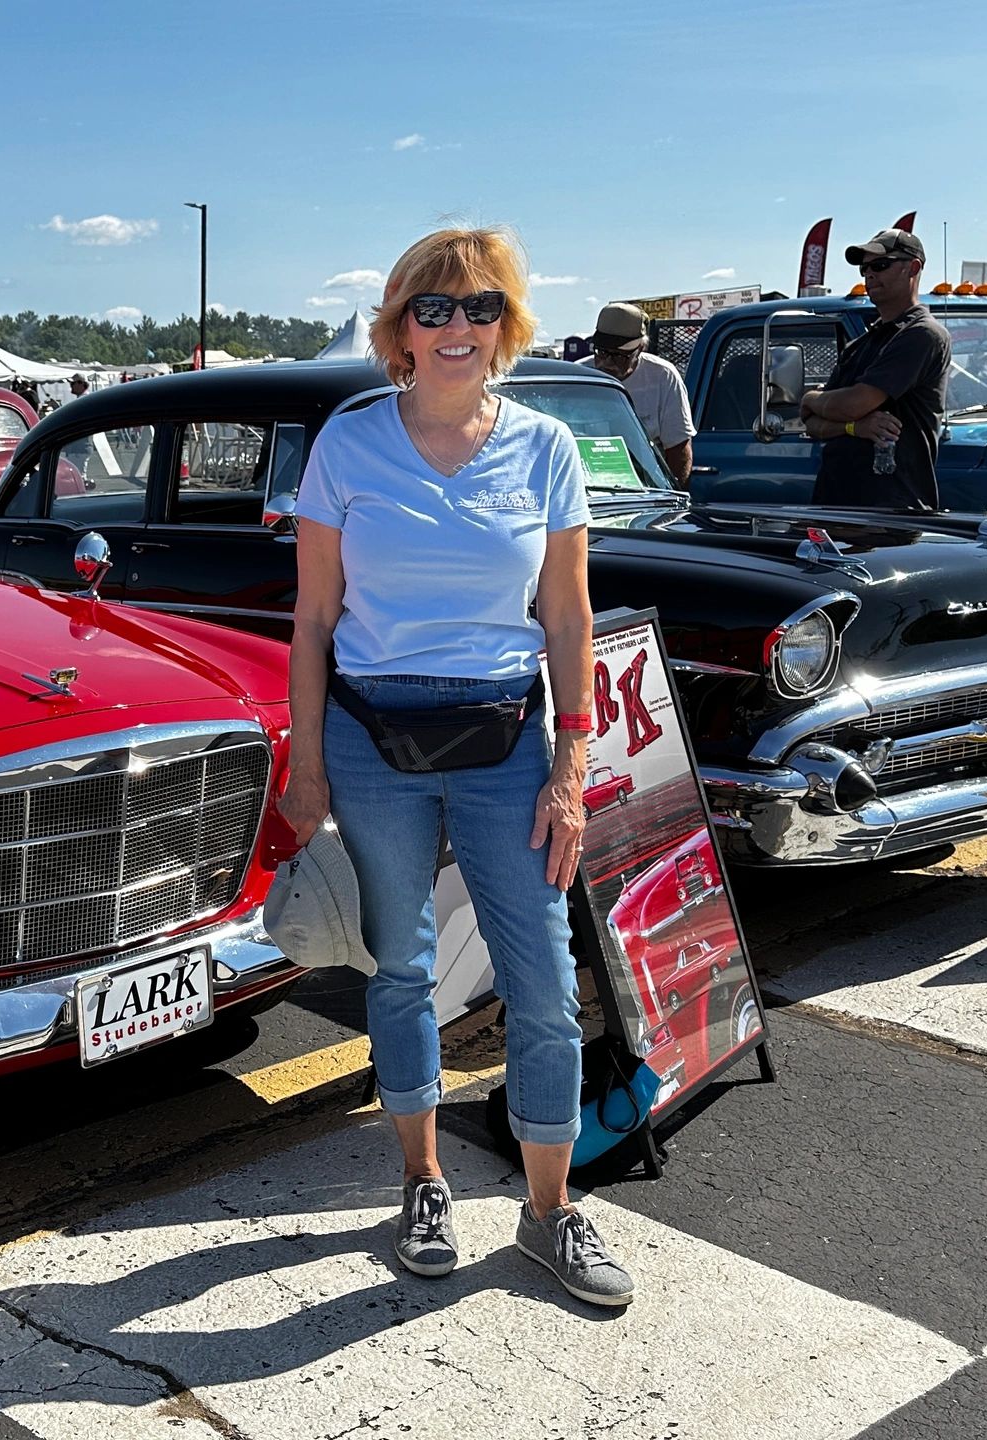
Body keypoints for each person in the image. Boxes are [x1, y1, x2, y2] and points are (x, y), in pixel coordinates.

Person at [281, 227, 632, 1306]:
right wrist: (306, 767)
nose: (456, 328)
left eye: (480, 308)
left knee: (540, 980)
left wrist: (572, 764)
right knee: (402, 970)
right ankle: (421, 1179)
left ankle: (548, 1212)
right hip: (370, 738)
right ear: (397, 328)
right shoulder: (346, 444)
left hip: (507, 745)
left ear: (508, 324)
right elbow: (314, 620)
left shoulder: (545, 448)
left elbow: (568, 619)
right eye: (432, 309)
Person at [800, 229, 950, 509]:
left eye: (880, 265)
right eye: (864, 268)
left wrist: (810, 398)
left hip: (890, 512)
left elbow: (853, 403)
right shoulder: (861, 345)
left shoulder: (922, 334)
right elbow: (812, 424)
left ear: (913, 268)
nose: (870, 274)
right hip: (836, 506)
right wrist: (854, 427)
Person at [579, 302, 693, 479]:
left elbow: (678, 447)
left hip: (647, 483)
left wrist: (677, 493)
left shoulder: (663, 376)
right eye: (601, 352)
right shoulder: (579, 375)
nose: (607, 362)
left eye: (618, 356)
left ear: (640, 349)